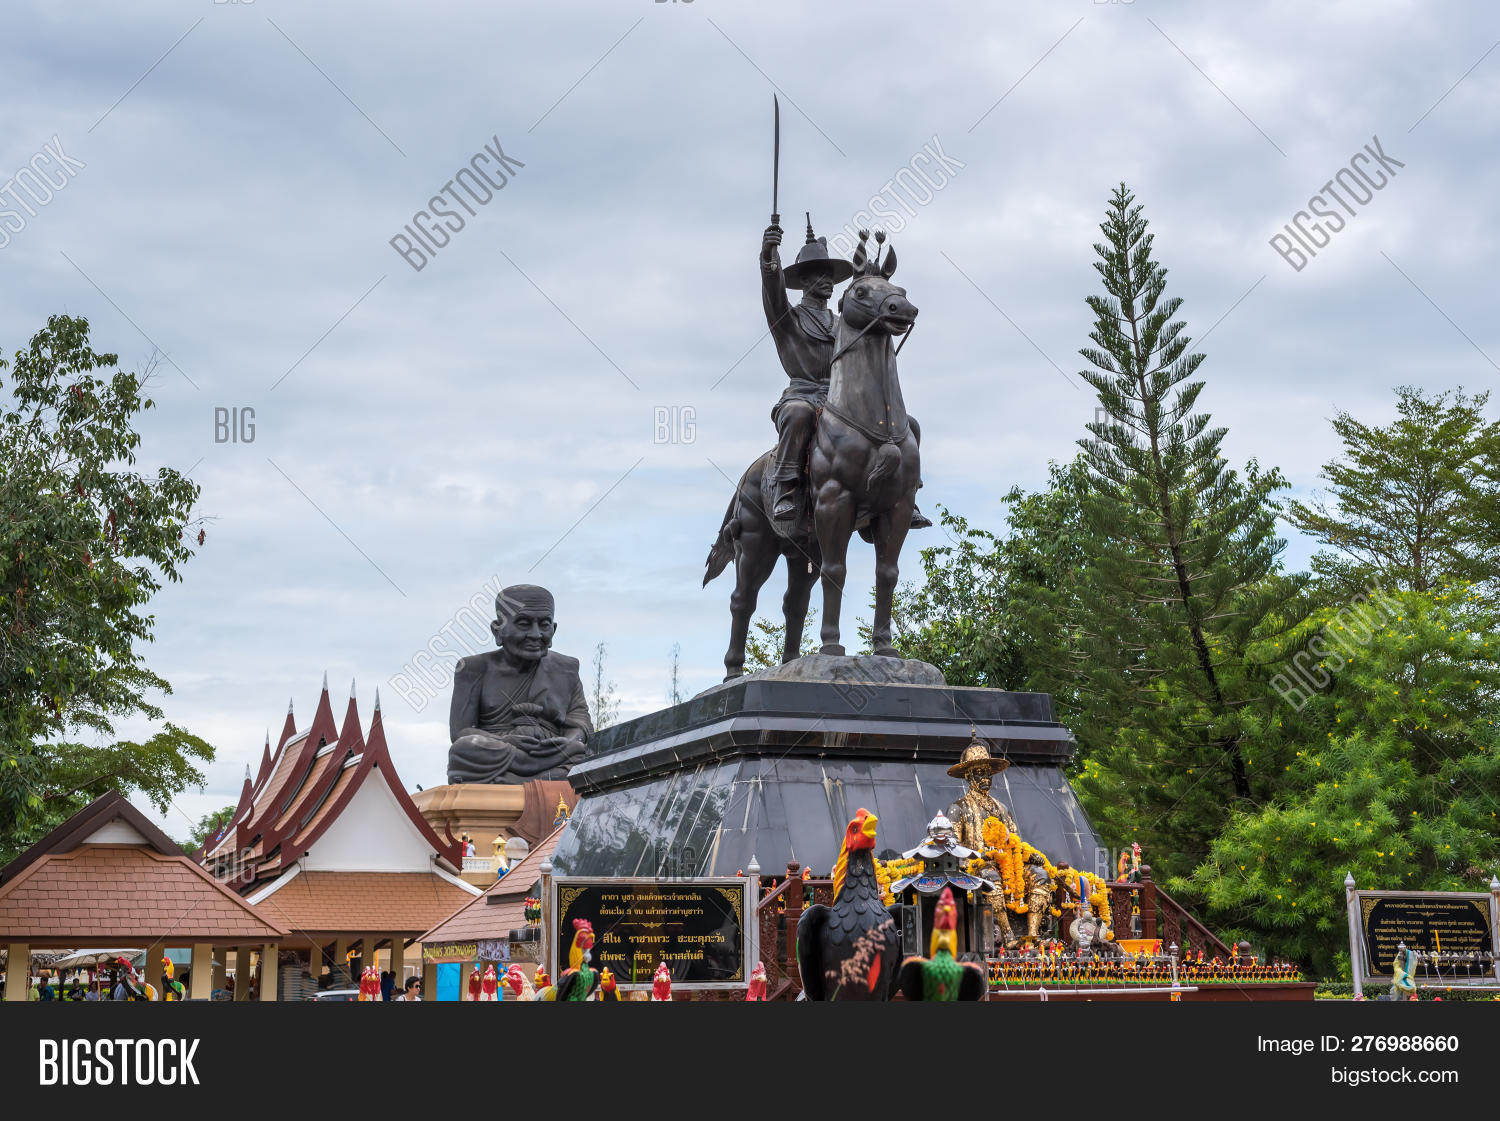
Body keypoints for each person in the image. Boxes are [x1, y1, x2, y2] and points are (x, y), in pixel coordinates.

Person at [759, 216, 930, 527]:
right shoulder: (788, 319)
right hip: (803, 394)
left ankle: (906, 495)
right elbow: (773, 293)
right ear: (803, 282)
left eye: (829, 274)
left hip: (843, 401)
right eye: (817, 274)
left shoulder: (843, 324)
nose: (826, 278)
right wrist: (769, 258)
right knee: (798, 415)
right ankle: (786, 488)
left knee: (910, 426)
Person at [446, 585, 593, 784]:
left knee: (586, 752)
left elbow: (580, 724)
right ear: (497, 630)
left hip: (551, 753)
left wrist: (567, 741)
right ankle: (542, 780)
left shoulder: (566, 668)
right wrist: (506, 740)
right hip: (499, 751)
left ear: (554, 629)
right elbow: (461, 732)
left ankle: (515, 780)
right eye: (524, 623)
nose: (535, 634)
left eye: (544, 624)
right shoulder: (473, 668)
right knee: (464, 749)